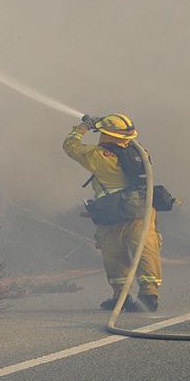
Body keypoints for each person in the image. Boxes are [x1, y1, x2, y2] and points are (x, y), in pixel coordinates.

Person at [63, 113, 162, 312]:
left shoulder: (99, 157)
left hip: (113, 212)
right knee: (146, 248)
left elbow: (70, 146)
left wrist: (82, 127)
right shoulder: (141, 152)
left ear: (105, 134)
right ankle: (149, 295)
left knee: (113, 253)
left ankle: (121, 296)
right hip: (142, 209)